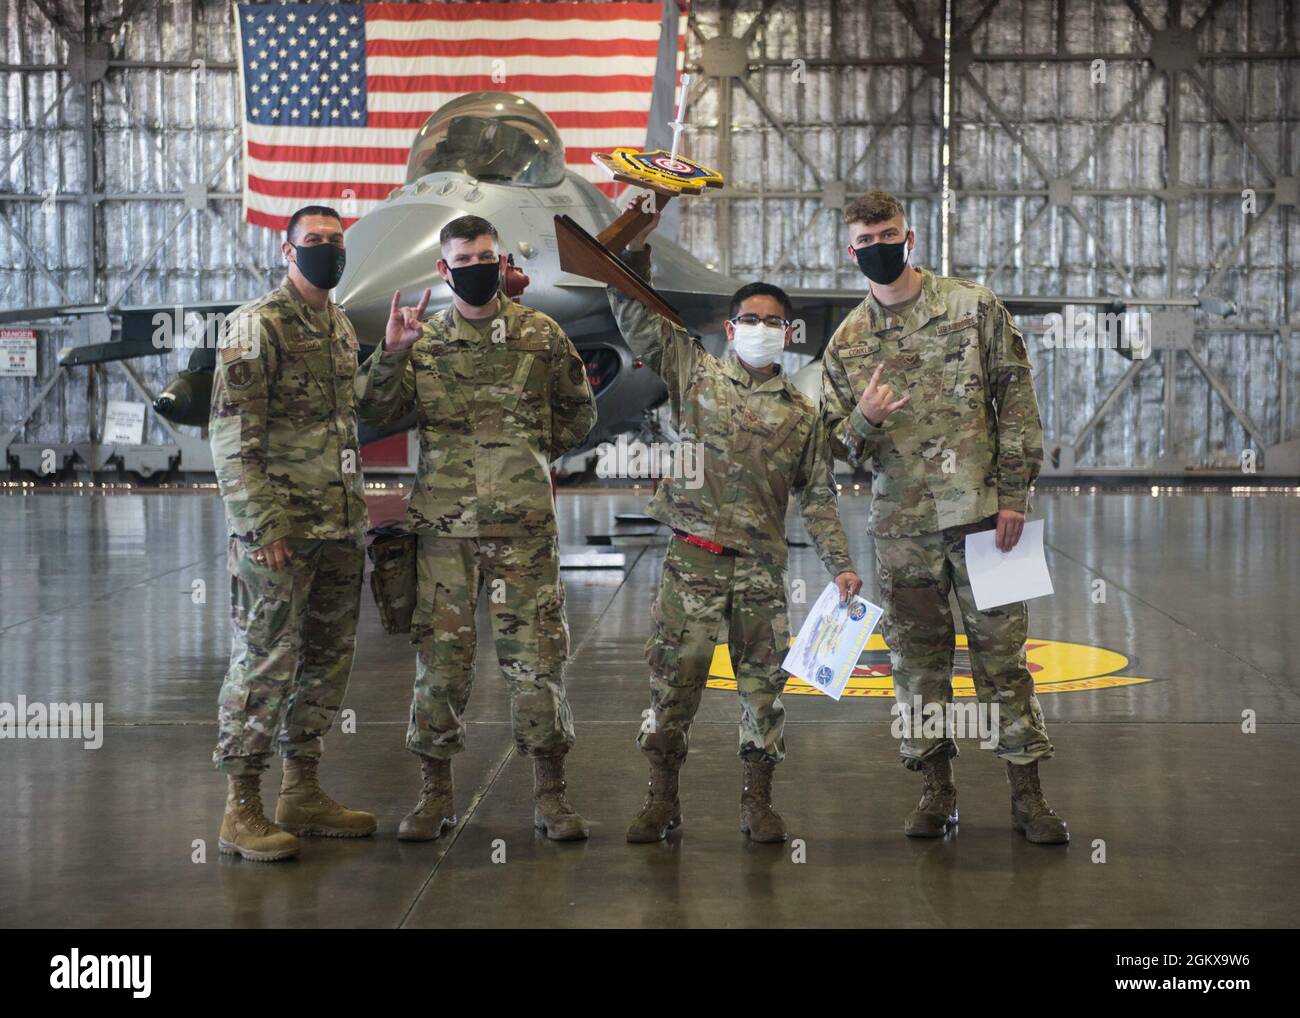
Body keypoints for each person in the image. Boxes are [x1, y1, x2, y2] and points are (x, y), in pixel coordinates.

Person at [819, 190, 1067, 844]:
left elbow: (1016, 397)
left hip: (992, 521)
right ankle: (936, 791)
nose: (879, 247)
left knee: (1006, 660)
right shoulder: (847, 343)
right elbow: (834, 446)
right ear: (852, 251)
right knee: (917, 666)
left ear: (911, 237)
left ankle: (1029, 796)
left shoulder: (973, 307)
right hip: (903, 533)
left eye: (889, 234)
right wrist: (864, 421)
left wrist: (1016, 492)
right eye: (866, 240)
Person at [609, 205, 861, 844]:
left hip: (759, 573)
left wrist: (842, 565)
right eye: (750, 319)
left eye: (772, 322)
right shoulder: (694, 372)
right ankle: (661, 800)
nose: (760, 328)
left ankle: (757, 804)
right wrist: (634, 245)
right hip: (691, 562)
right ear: (730, 327)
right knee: (673, 686)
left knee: (763, 692)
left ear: (790, 332)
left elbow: (819, 496)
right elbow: (635, 314)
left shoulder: (802, 413)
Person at [358, 214, 597, 842]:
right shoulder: (424, 342)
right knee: (441, 666)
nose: (476, 267)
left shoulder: (541, 336)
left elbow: (579, 412)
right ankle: (433, 796)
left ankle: (552, 795)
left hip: (522, 533)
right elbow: (374, 414)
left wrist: (524, 458)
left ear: (501, 259)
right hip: (443, 535)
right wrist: (390, 356)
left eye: (486, 256)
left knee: (537, 662)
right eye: (463, 259)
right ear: (444, 270)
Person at [210, 204, 375, 862]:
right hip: (280, 532)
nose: (326, 251)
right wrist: (260, 523)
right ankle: (240, 806)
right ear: (287, 251)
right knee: (264, 664)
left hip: (337, 525)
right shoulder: (258, 325)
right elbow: (231, 436)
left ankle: (300, 789)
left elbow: (348, 419)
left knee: (326, 663)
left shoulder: (337, 324)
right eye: (313, 242)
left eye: (335, 242)